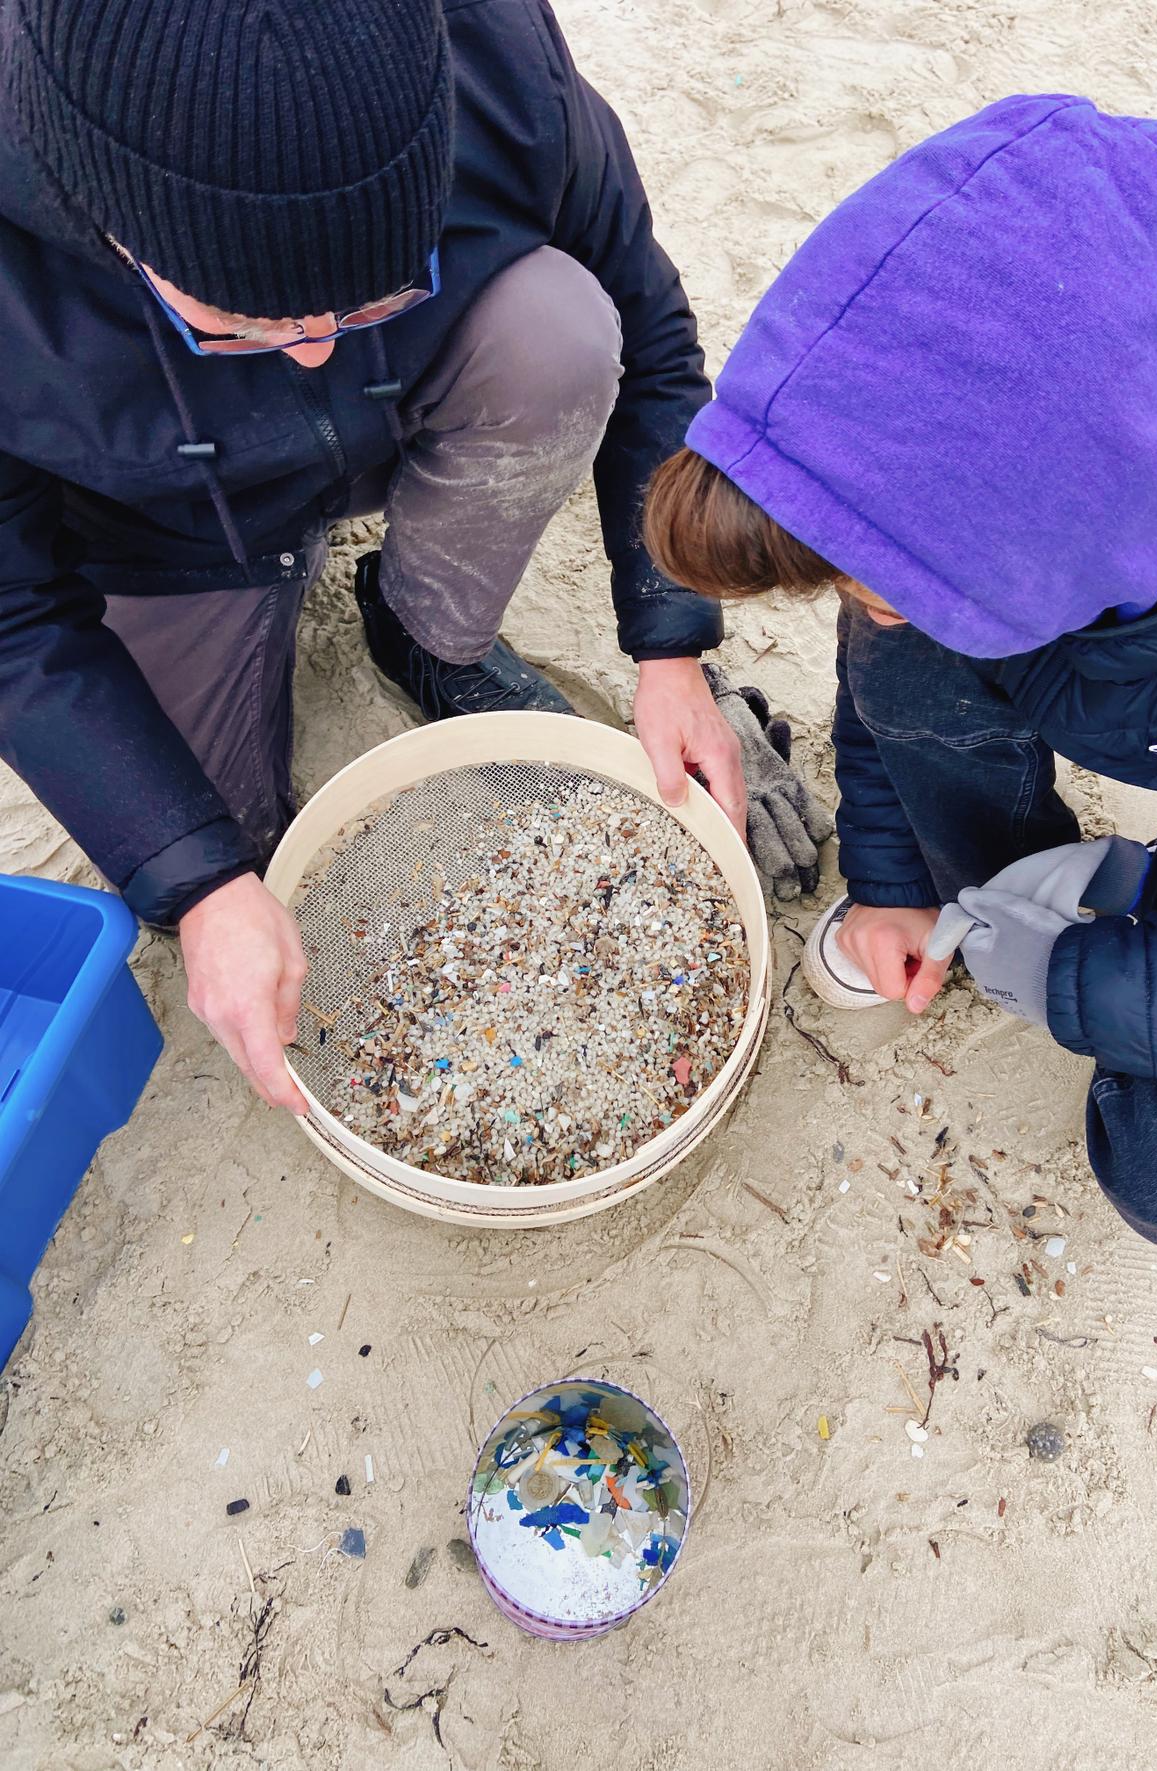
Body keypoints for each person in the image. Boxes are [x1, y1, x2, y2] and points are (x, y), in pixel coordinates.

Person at [0, 0, 829, 1113]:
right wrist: (196, 882)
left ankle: (419, 628)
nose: (304, 356)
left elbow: (654, 335)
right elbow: (15, 621)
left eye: (369, 293)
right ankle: (254, 597)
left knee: (564, 328)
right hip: (161, 524)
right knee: (210, 841)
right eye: (236, 326)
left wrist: (670, 642)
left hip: (409, 404)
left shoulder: (493, 52)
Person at [644, 93, 1157, 1260]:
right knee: (909, 640)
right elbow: (888, 627)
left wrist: (1074, 979)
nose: (866, 610)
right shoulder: (1040, 315)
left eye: (886, 583)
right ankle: (999, 891)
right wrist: (893, 874)